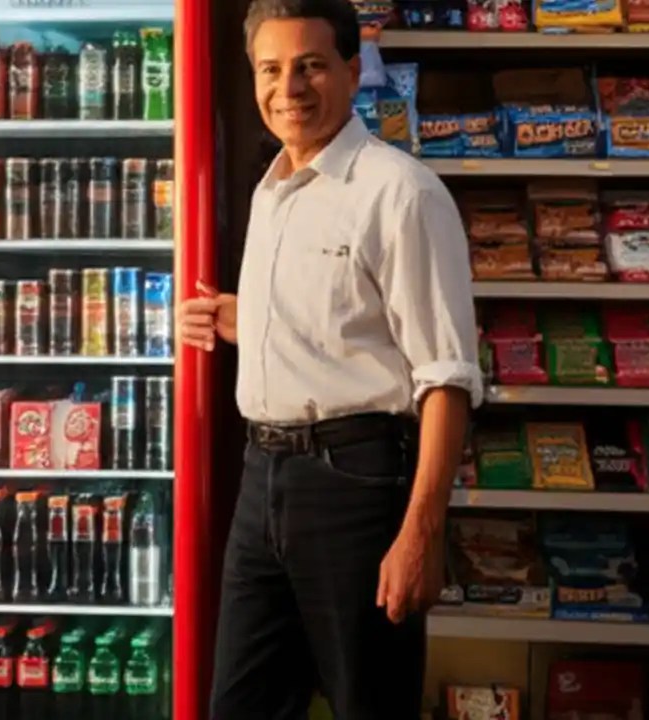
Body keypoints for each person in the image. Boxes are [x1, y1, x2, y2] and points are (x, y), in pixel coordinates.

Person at [178, 0, 481, 717]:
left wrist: (421, 532)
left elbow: (446, 377)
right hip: (263, 481)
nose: (290, 88)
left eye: (312, 66)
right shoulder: (273, 187)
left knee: (367, 702)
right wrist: (245, 319)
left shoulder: (401, 192)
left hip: (357, 484)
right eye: (272, 69)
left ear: (351, 72)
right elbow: (343, 328)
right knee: (241, 703)